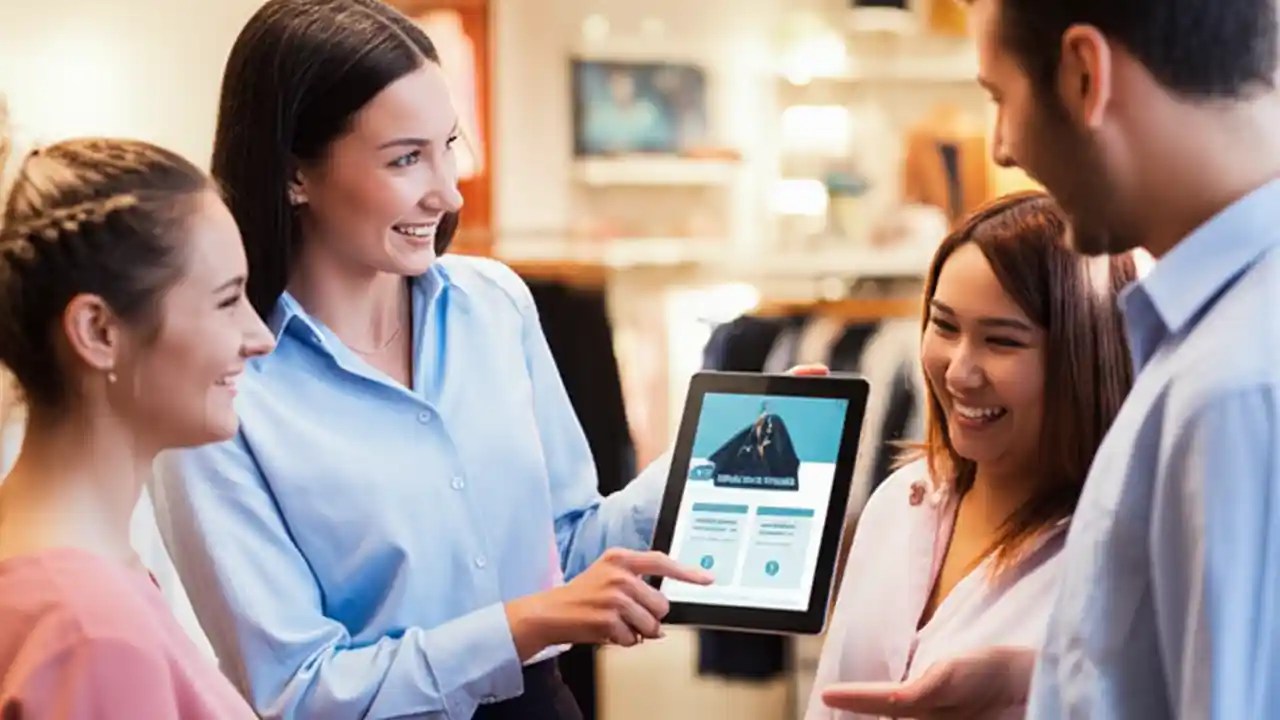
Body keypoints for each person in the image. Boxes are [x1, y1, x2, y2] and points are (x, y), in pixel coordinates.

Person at [148, 1, 712, 718]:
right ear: (295, 172)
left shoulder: (495, 304)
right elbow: (295, 688)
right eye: (406, 158)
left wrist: (706, 456)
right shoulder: (220, 386)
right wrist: (525, 626)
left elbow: (565, 548)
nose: (447, 191)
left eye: (449, 145)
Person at [822, 0, 1280, 717]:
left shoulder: (1236, 382)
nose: (1002, 148)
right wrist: (1035, 681)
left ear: (1082, 76)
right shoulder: (1215, 340)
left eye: (999, 98)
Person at [807, 192, 1134, 720]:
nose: (959, 371)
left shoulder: (1123, 552)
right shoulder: (901, 502)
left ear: (1081, 358)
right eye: (944, 326)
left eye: (1002, 342)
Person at [0, 137, 273, 716]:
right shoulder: (88, 630)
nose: (259, 337)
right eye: (228, 302)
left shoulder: (67, 582)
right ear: (98, 331)